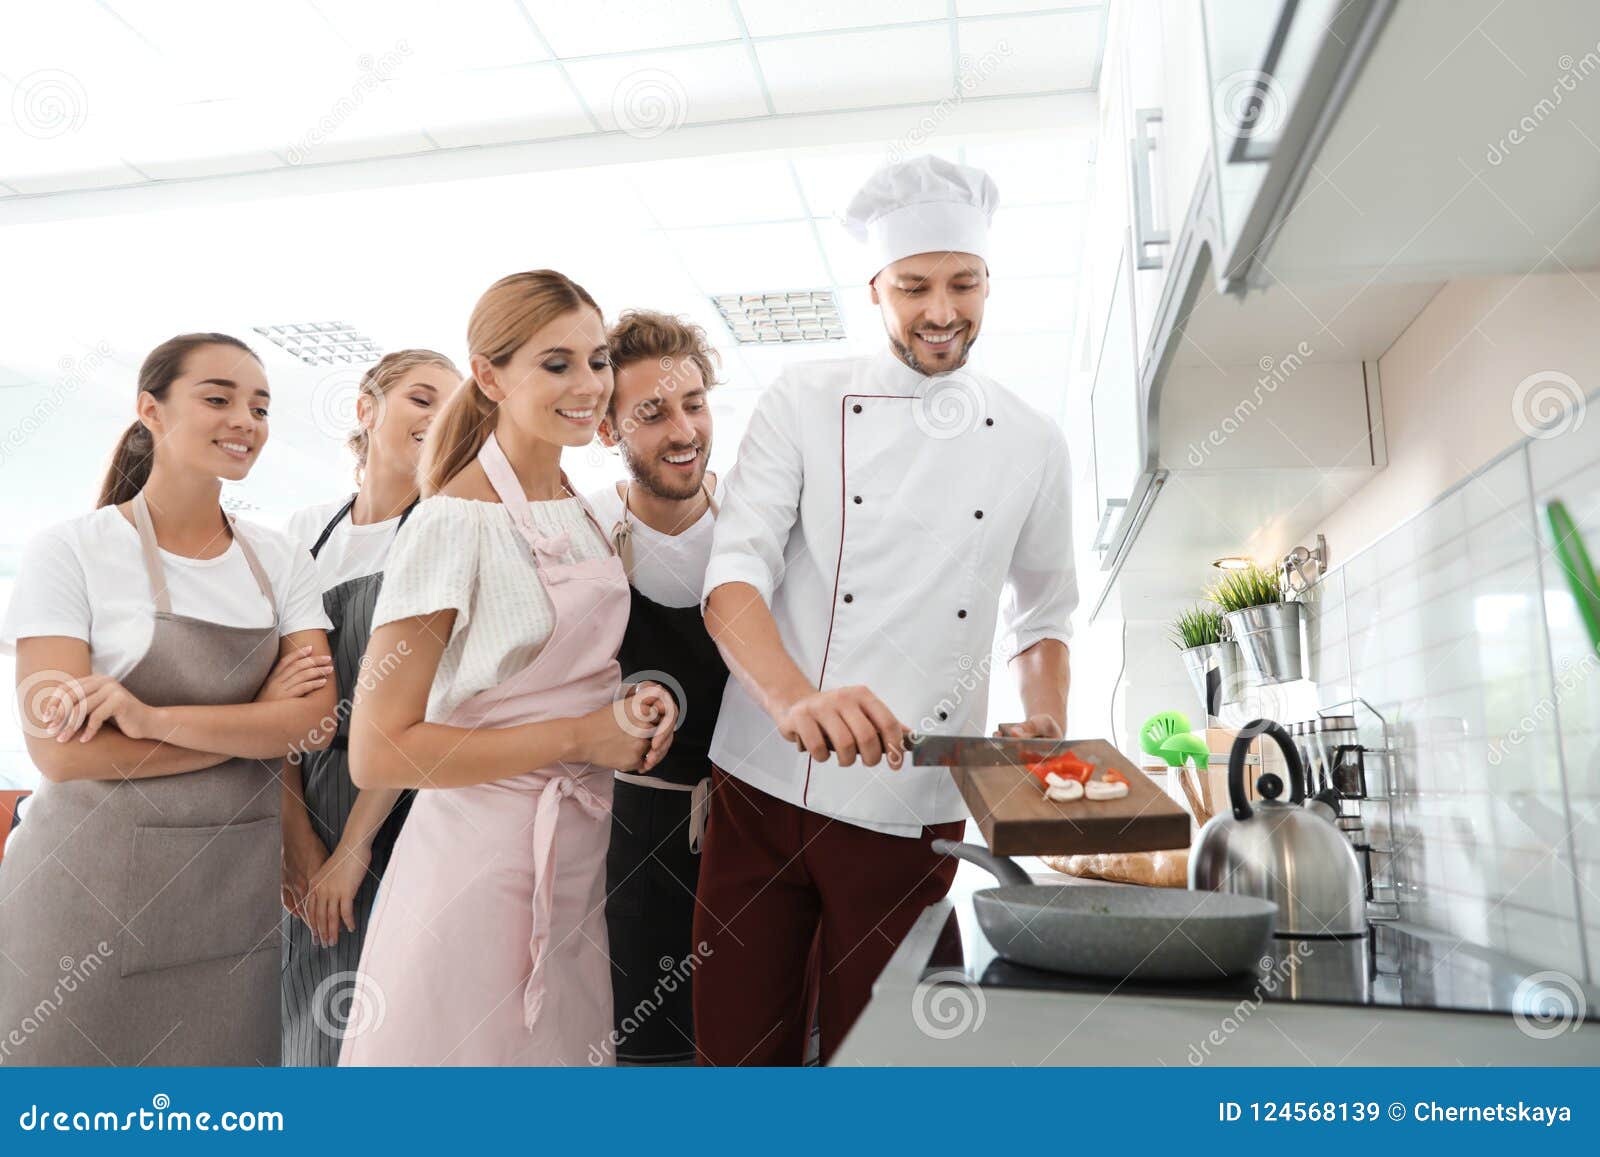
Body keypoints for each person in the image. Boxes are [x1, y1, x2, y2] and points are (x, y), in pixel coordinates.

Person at [694, 156, 1078, 1065]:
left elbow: (1046, 611)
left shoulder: (1032, 439)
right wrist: (794, 698)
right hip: (760, 786)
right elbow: (732, 579)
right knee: (737, 1057)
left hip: (913, 805)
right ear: (875, 287)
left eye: (964, 283)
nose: (942, 309)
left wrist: (1047, 715)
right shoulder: (803, 398)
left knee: (895, 1068)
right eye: (914, 286)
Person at [337, 271, 677, 1067]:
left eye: (596, 361)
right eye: (555, 364)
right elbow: (380, 750)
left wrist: (631, 705)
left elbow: (548, 670)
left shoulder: (577, 501)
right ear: (488, 377)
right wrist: (582, 735)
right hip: (476, 864)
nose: (588, 385)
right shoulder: (452, 523)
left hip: (573, 854)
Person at [0, 332, 337, 1066]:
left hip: (227, 909)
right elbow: (60, 749)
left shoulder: (281, 560)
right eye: (218, 398)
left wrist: (150, 719)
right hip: (78, 901)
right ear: (149, 409)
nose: (245, 420)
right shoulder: (72, 550)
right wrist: (255, 727)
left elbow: (313, 721)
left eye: (261, 405)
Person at [279, 348, 463, 1066]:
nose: (437, 417)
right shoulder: (302, 534)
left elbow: (423, 707)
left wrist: (352, 850)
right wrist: (296, 841)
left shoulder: (444, 530)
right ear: (365, 409)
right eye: (422, 398)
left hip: (404, 803)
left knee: (386, 1027)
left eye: (453, 408)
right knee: (302, 1021)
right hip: (301, 800)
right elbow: (274, 703)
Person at [584, 310, 726, 1065]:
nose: (684, 430)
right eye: (652, 412)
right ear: (607, 431)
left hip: (750, 830)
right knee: (639, 1053)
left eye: (695, 403)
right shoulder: (583, 537)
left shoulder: (760, 532)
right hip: (622, 837)